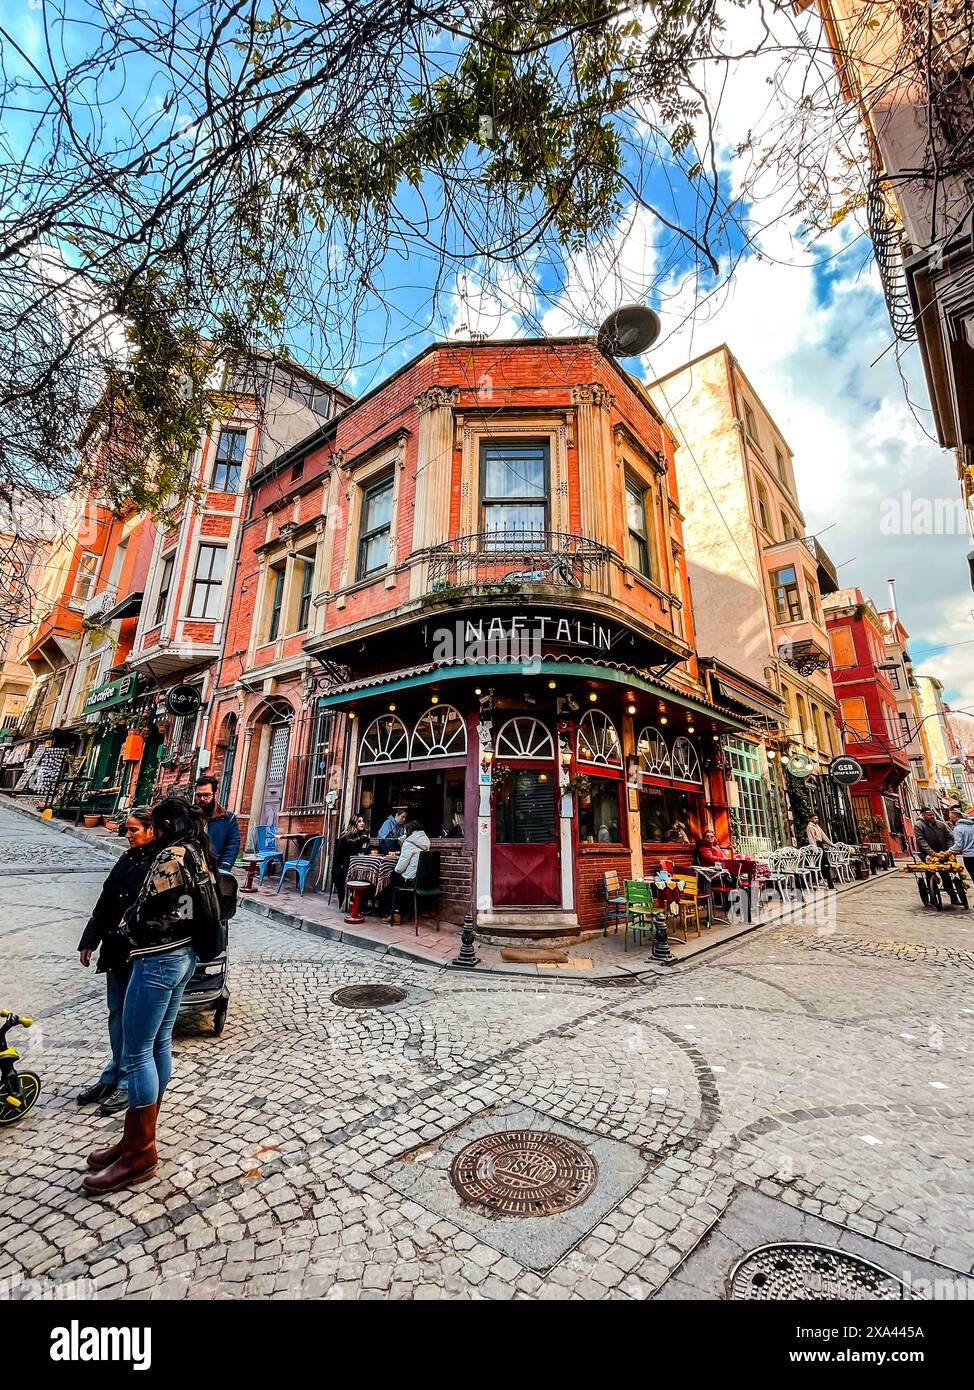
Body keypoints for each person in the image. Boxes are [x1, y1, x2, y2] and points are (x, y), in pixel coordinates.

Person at [83, 797, 216, 1197]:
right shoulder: (196, 852)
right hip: (183, 958)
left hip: (157, 961)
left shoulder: (171, 857)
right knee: (159, 1042)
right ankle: (135, 1140)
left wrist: (128, 929)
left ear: (164, 825)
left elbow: (145, 909)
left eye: (153, 824)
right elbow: (190, 909)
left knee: (138, 1050)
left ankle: (140, 1151)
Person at [76, 808, 157, 1117]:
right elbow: (106, 900)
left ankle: (126, 1080)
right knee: (116, 1014)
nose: (128, 835)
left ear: (151, 831)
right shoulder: (127, 859)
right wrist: (89, 939)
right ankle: (112, 1074)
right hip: (115, 950)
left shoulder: (157, 864)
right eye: (127, 829)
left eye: (133, 830)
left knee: (133, 1020)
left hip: (138, 953)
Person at [384, 820, 431, 922]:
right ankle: (400, 911)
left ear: (409, 831)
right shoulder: (425, 842)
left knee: (390, 876)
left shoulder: (409, 843)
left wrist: (395, 868)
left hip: (410, 878)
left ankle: (394, 912)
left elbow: (400, 868)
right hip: (421, 879)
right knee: (395, 879)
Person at [194, 774, 241, 871]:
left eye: (206, 795)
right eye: (199, 795)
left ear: (214, 794)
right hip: (191, 867)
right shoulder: (188, 816)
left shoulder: (228, 818)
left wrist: (225, 866)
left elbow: (232, 844)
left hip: (215, 868)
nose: (202, 799)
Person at [331, 814, 369, 904]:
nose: (362, 823)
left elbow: (363, 852)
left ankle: (361, 903)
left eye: (363, 821)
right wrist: (361, 841)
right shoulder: (346, 837)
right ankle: (355, 902)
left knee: (366, 875)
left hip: (355, 865)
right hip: (342, 866)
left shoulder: (363, 836)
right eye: (359, 821)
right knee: (361, 875)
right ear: (353, 823)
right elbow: (342, 856)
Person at [806, 815, 835, 888]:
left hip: (820, 845)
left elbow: (824, 836)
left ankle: (827, 881)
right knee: (822, 864)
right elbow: (811, 840)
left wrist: (831, 844)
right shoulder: (810, 827)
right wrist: (815, 850)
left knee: (825, 864)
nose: (816, 819)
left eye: (817, 818)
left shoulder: (817, 826)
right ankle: (826, 881)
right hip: (816, 846)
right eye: (815, 818)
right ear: (811, 819)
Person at [951, 807, 974, 889]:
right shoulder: (972, 826)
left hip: (969, 857)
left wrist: (948, 852)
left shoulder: (958, 829)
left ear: (955, 818)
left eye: (951, 818)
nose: (950, 820)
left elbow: (958, 845)